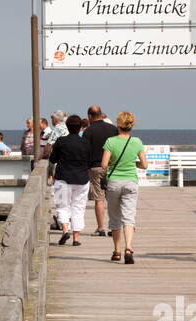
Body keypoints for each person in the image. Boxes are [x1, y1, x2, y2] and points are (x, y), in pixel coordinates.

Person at [101, 111, 148, 264]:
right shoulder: (137, 142)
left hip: (114, 182)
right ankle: (129, 247)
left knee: (114, 218)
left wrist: (113, 165)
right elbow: (145, 165)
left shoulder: (110, 141)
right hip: (130, 182)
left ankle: (116, 251)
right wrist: (134, 164)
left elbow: (104, 164)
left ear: (117, 124)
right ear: (132, 125)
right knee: (129, 217)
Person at [48, 114, 92, 246]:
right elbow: (89, 162)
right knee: (78, 207)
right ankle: (76, 238)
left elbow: (53, 159)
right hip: (82, 179)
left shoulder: (61, 142)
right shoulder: (86, 143)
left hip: (63, 178)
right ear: (80, 128)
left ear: (67, 126)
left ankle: (65, 230)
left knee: (62, 206)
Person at [83, 106, 118, 237]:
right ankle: (114, 227)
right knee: (113, 198)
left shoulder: (88, 131)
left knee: (99, 198)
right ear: (101, 114)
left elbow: (85, 152)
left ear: (90, 116)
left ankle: (101, 228)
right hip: (112, 167)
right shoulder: (113, 129)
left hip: (95, 167)